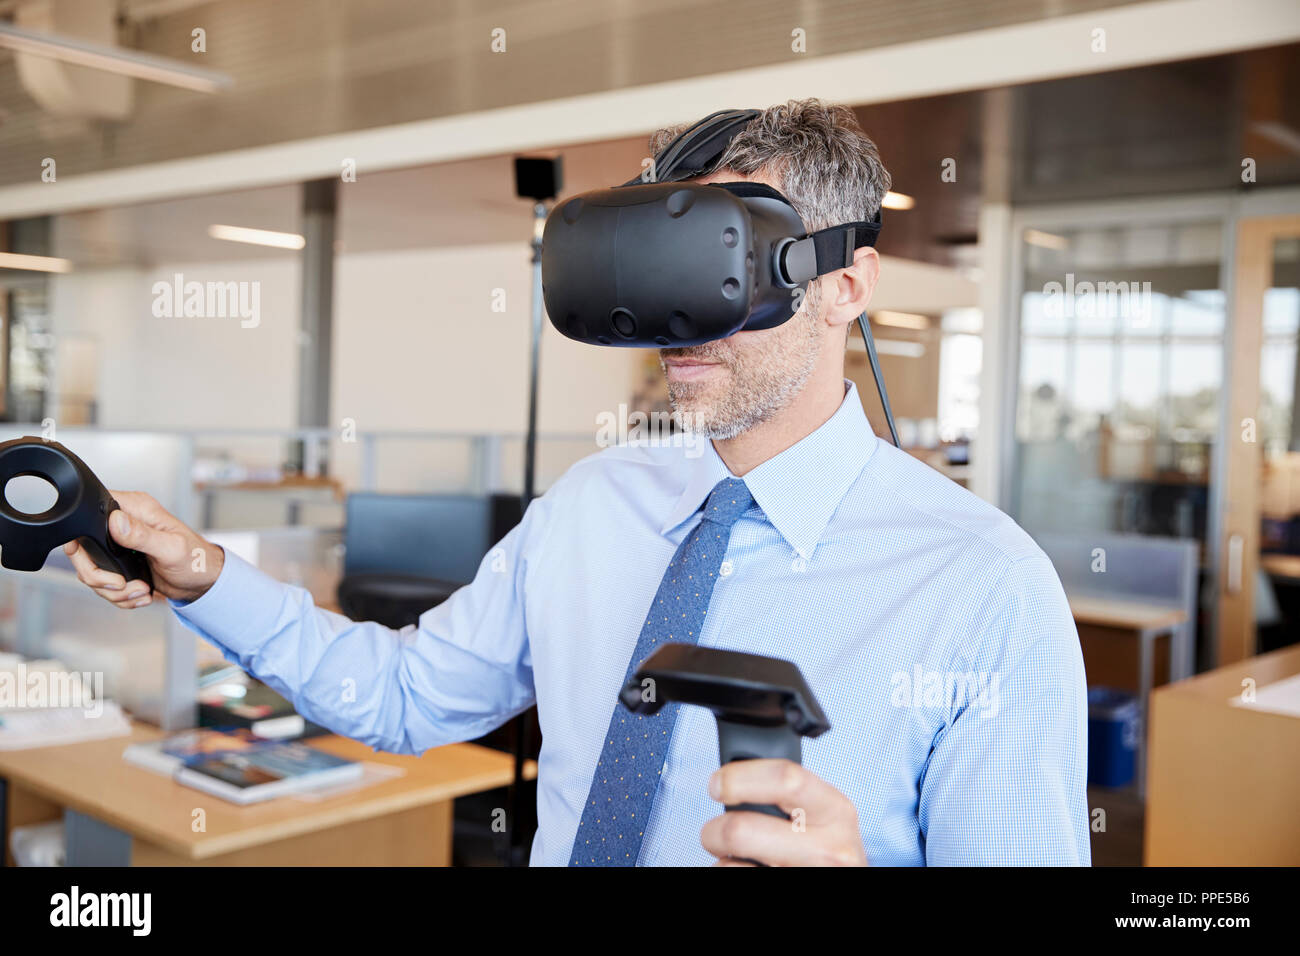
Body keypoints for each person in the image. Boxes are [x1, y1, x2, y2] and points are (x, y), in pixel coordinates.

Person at [66, 99, 1090, 866]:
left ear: (844, 286)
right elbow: (402, 696)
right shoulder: (595, 506)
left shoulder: (981, 585)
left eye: (719, 263)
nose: (674, 323)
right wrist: (203, 573)